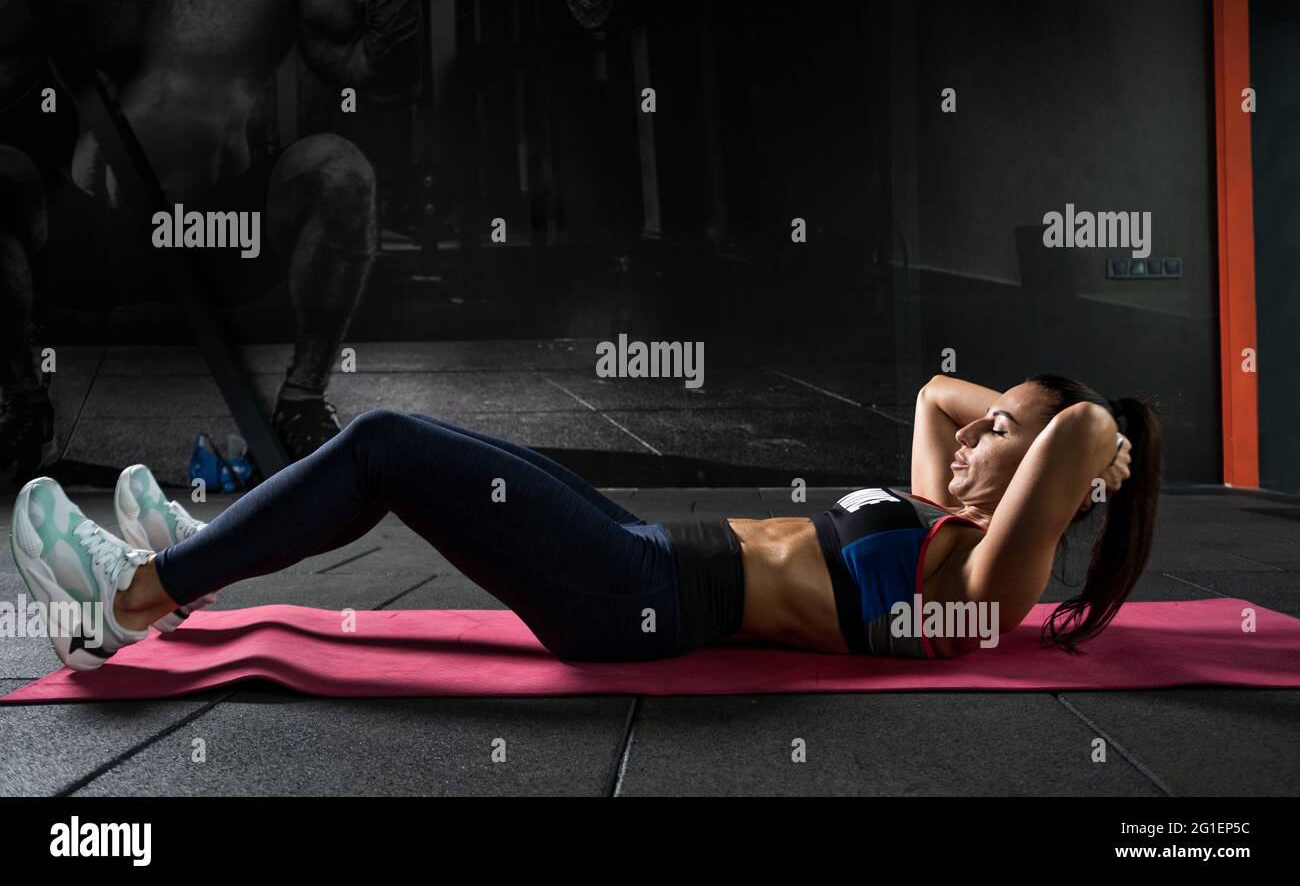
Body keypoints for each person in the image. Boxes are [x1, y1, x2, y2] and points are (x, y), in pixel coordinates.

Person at [7, 373, 1163, 671]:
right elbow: (932, 399)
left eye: (996, 432)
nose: (970, 434)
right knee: (423, 442)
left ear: (1049, 486)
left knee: (387, 446)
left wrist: (1095, 438)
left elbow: (1066, 438)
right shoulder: (937, 510)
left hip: (651, 599)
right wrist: (1012, 432)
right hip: (648, 556)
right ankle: (186, 559)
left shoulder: (969, 592)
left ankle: (128, 599)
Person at [0, 0, 423, 479]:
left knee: (340, 171)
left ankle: (302, 403)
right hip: (98, 236)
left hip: (219, 233)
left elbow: (382, 74)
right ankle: (23, 404)